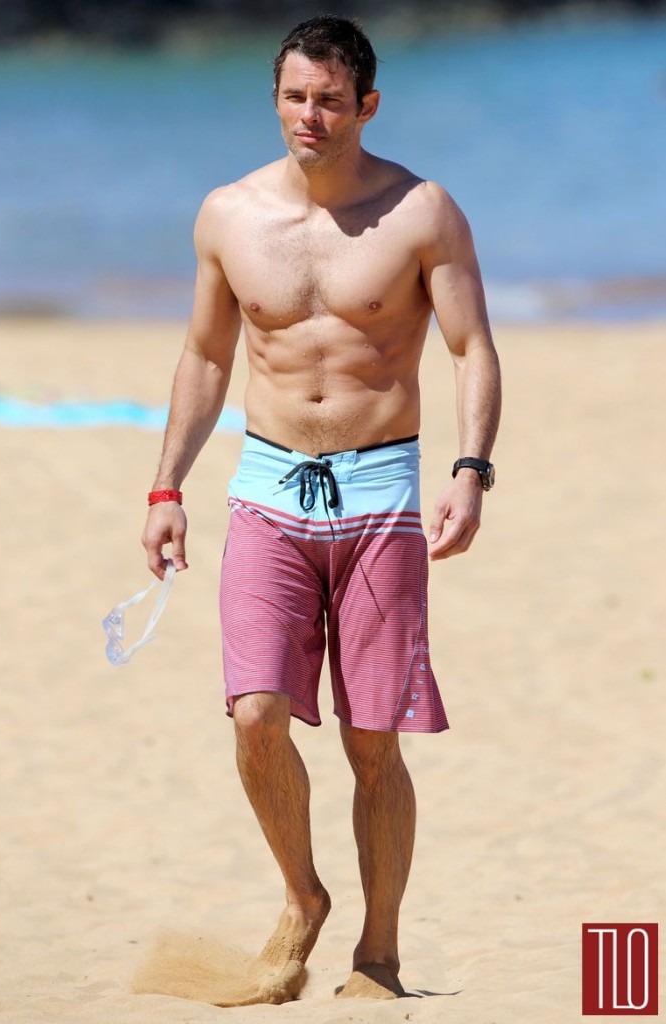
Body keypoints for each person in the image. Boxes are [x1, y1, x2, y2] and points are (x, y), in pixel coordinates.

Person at [141, 14, 501, 1004]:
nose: (311, 115)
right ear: (275, 98)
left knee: (370, 741)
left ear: (366, 105)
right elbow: (207, 356)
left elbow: (470, 349)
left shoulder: (421, 213)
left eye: (331, 100)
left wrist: (470, 468)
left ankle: (378, 955)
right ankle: (303, 900)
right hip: (267, 493)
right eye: (296, 96)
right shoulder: (229, 215)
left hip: (381, 502)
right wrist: (167, 486)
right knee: (255, 713)